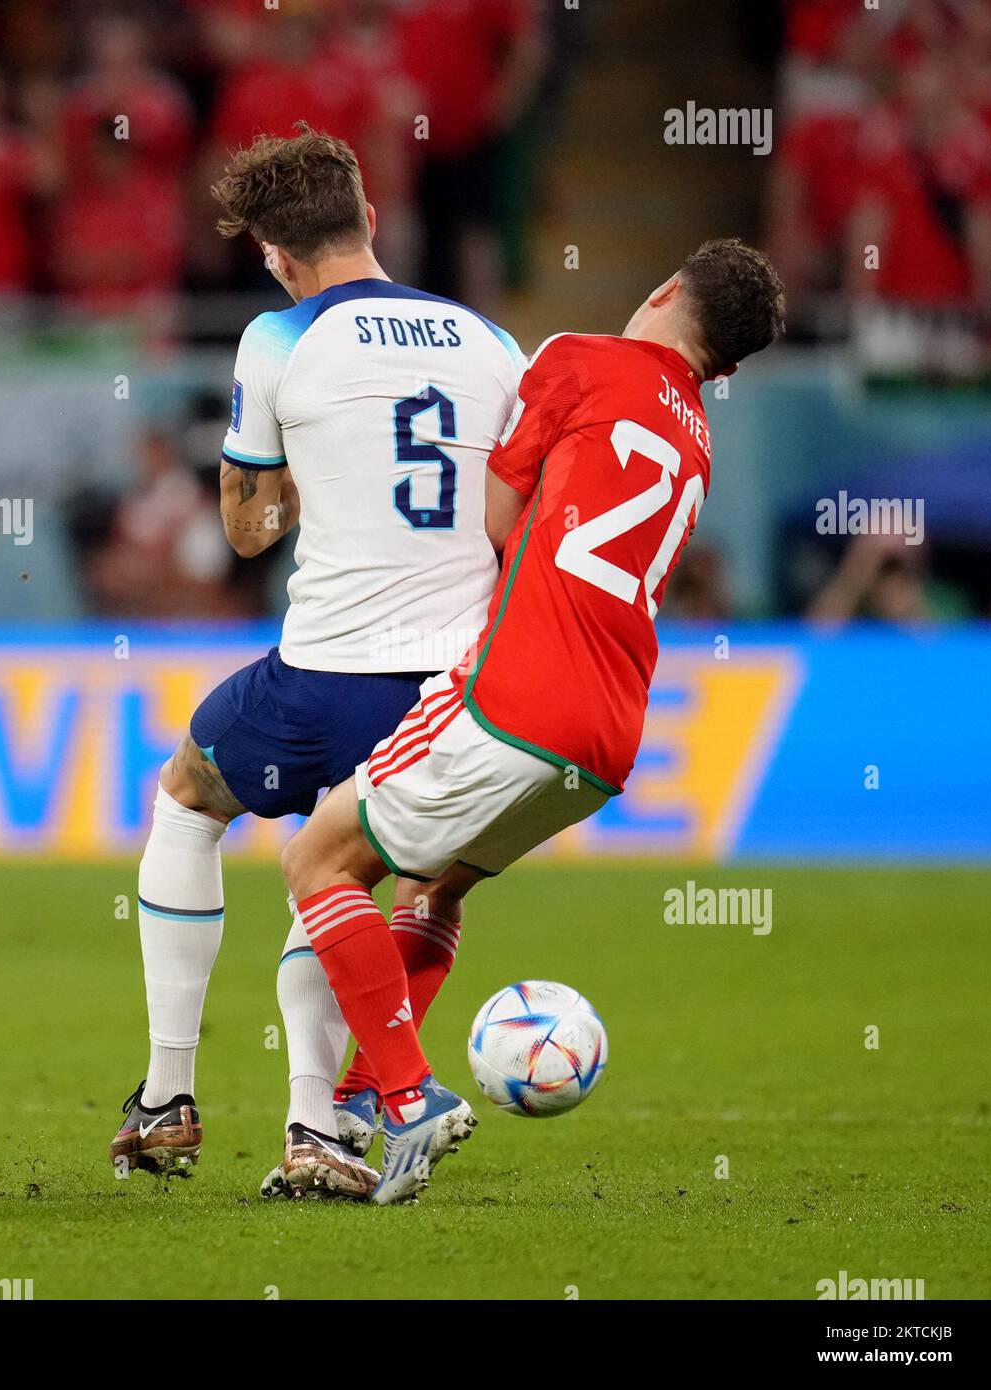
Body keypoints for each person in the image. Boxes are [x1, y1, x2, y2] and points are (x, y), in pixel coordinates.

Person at [280, 239, 787, 1204]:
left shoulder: (575, 359)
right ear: (720, 367)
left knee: (317, 861)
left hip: (516, 696)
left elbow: (500, 519)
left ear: (663, 287)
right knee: (431, 889)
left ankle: (407, 1094)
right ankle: (353, 1105)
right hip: (608, 736)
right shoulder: (697, 441)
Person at [107, 125, 525, 1199]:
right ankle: (312, 1122)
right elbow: (512, 515)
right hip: (459, 690)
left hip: (329, 668)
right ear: (371, 219)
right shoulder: (490, 344)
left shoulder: (275, 338)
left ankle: (166, 1094)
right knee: (350, 871)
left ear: (274, 256)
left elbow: (245, 531)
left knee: (190, 796)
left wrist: (298, 477)